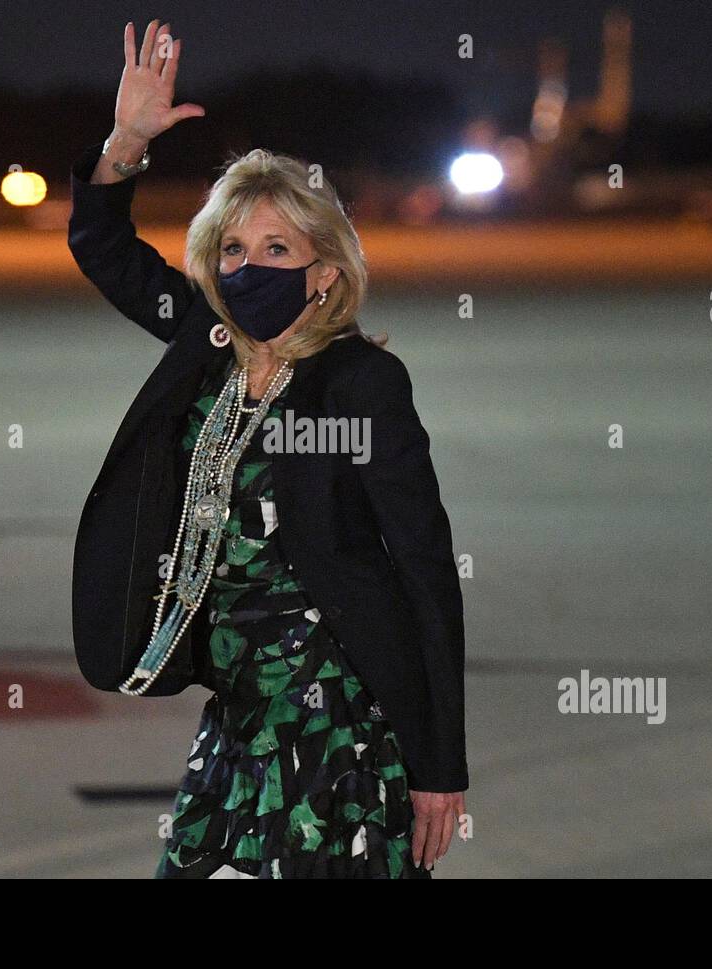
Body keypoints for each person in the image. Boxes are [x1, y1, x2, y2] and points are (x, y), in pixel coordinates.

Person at [68, 19, 468, 878]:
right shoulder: (204, 349)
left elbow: (427, 570)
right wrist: (126, 140)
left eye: (277, 248)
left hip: (339, 724)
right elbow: (100, 245)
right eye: (235, 248)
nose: (251, 268)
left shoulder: (359, 384)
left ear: (323, 270)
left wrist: (441, 767)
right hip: (241, 715)